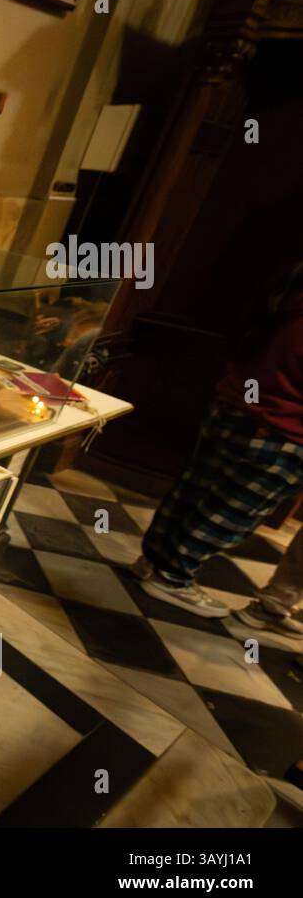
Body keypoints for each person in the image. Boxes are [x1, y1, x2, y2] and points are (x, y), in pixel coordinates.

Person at [132, 260, 303, 629]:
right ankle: (172, 579)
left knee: (193, 491)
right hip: (281, 432)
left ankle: (153, 560)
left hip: (234, 408)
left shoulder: (290, 294)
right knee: (229, 514)